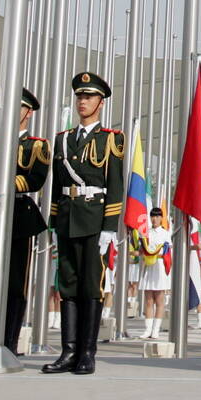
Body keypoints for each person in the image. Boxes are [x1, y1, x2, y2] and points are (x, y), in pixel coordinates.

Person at [42, 72, 125, 376]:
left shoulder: (111, 139)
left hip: (93, 217)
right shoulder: (63, 139)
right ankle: (68, 350)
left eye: (88, 97)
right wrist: (53, 221)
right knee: (68, 285)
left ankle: (87, 352)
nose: (82, 102)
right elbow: (56, 185)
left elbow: (115, 184)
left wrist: (109, 226)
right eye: (79, 96)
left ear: (100, 103)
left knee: (91, 285)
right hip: (67, 217)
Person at [0, 87, 50, 354]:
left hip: (19, 214)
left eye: (18, 107)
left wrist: (2, 181)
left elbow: (36, 178)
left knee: (15, 282)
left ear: (28, 112)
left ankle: (9, 341)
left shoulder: (36, 145)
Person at [135, 207, 171, 339]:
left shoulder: (165, 233)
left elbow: (168, 251)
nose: (154, 219)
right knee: (148, 300)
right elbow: (141, 249)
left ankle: (156, 329)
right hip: (149, 266)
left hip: (160, 266)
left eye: (157, 216)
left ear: (161, 218)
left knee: (159, 300)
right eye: (152, 216)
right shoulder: (146, 233)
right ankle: (148, 329)